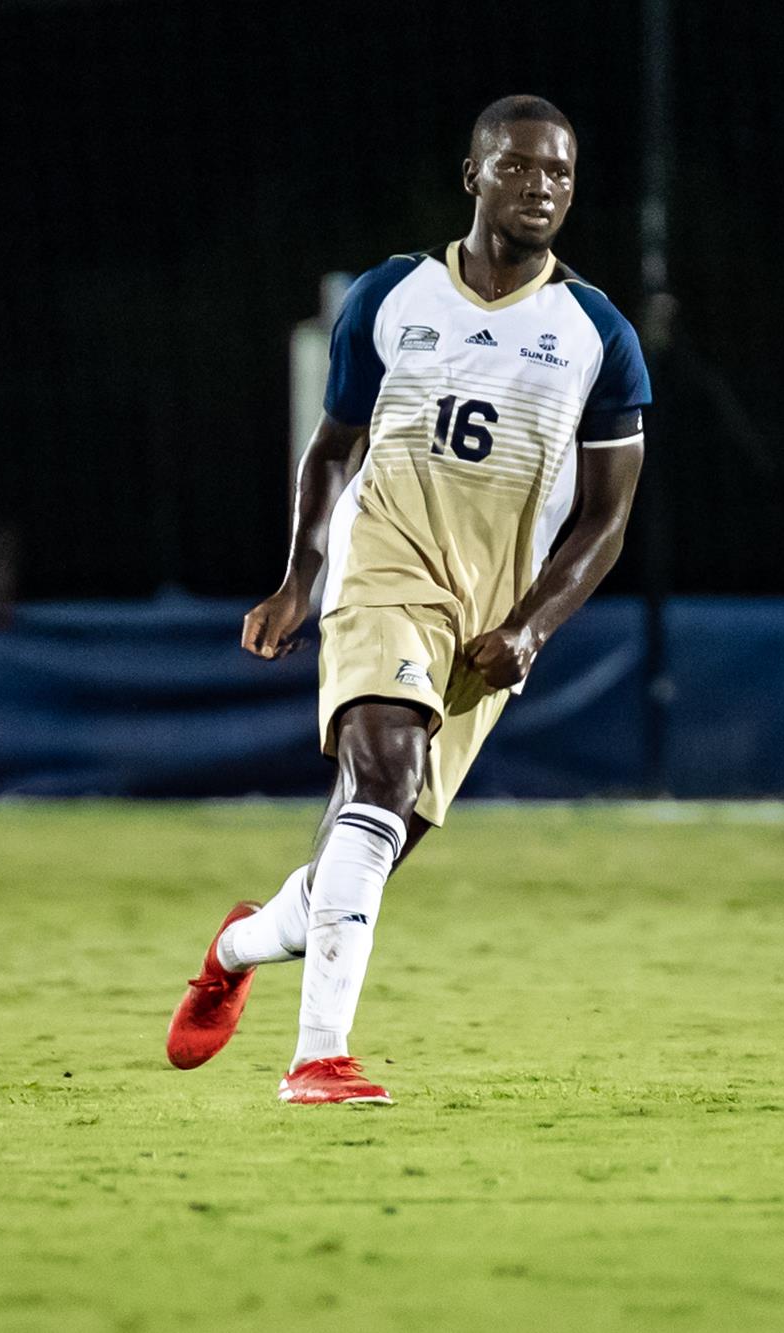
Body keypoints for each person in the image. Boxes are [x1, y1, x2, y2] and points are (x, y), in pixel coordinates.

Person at [165, 95, 649, 1104]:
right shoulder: (392, 296)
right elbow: (332, 446)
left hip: (489, 615)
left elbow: (605, 520)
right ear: (472, 175)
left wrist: (529, 625)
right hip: (383, 567)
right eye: (518, 168)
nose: (541, 188)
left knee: (369, 848)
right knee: (379, 774)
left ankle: (241, 944)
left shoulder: (596, 332)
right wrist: (302, 573)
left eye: (559, 173)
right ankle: (317, 1059)